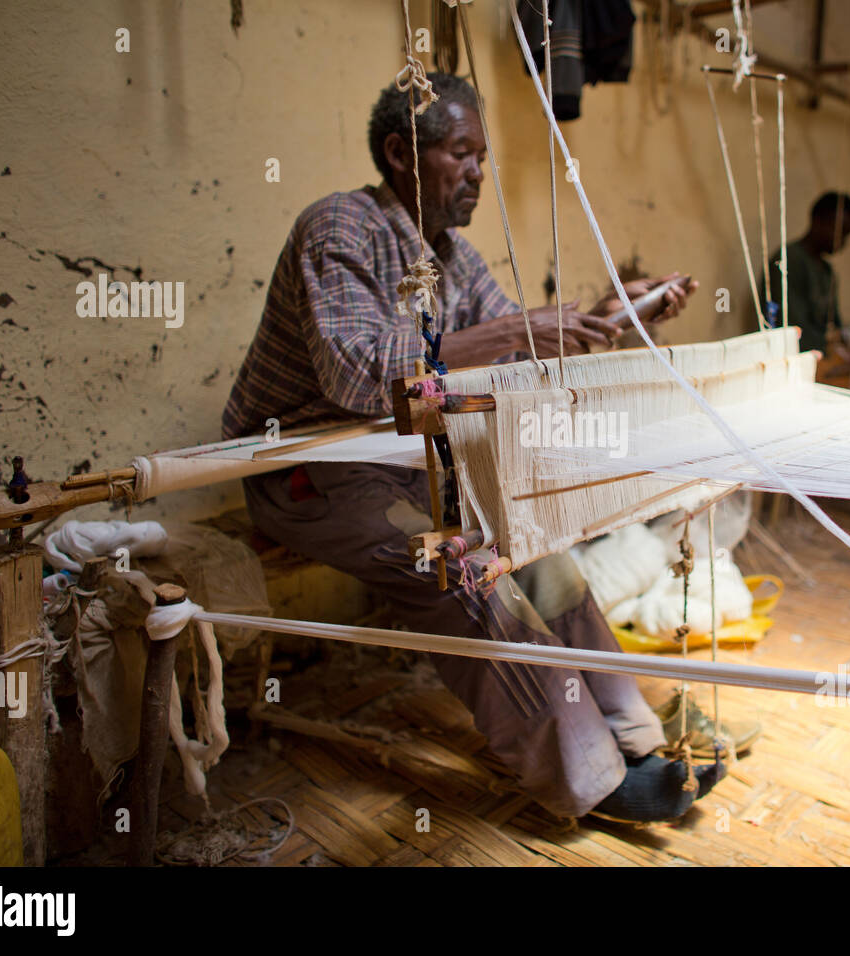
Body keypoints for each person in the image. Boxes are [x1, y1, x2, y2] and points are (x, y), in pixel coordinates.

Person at [222, 73, 718, 823]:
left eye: (483, 156)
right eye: (462, 153)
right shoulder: (338, 227)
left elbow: (516, 347)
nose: (478, 173)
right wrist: (517, 332)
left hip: (399, 463)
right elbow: (359, 375)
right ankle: (591, 778)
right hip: (305, 468)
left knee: (532, 544)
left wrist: (608, 314)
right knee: (457, 570)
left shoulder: (453, 257)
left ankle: (632, 734)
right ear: (399, 152)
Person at [764, 192, 850, 357]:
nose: (841, 241)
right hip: (787, 358)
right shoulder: (787, 260)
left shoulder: (828, 272)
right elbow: (792, 327)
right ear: (818, 220)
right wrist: (829, 347)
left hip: (819, 356)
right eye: (839, 231)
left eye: (846, 235)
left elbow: (834, 326)